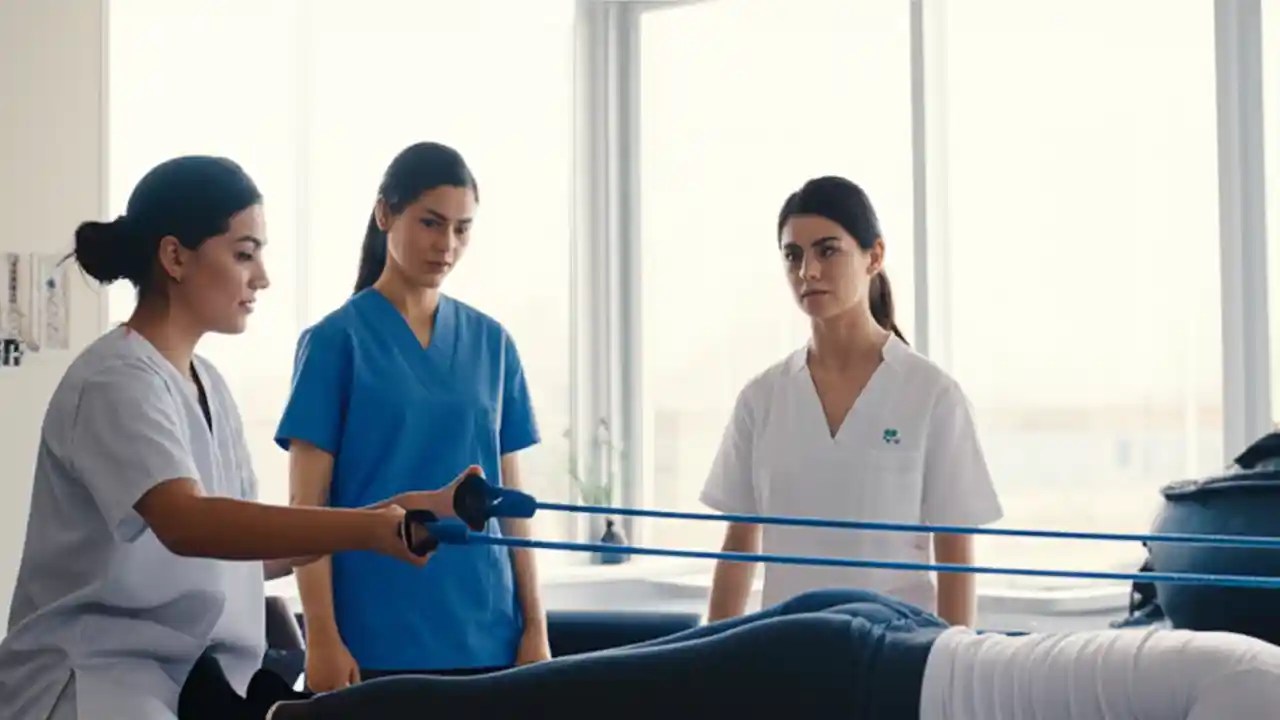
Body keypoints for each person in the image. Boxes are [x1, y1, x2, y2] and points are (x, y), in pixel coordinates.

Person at [0, 155, 469, 720]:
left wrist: (398, 512)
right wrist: (369, 528)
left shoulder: (208, 386)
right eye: (245, 254)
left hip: (185, 681)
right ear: (175, 256)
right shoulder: (115, 381)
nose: (262, 277)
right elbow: (189, 522)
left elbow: (245, 551)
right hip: (95, 685)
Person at [273, 141, 548, 690]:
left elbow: (512, 506)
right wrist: (322, 637)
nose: (446, 244)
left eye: (462, 229)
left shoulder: (493, 344)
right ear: (384, 214)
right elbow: (308, 507)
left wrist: (535, 625)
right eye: (430, 222)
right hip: (374, 636)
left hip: (486, 631)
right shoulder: (334, 343)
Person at [180, 587, 1280, 720]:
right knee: (538, 710)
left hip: (886, 644)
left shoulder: (1250, 666)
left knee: (549, 695)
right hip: (859, 676)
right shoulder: (1254, 686)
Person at [701, 176, 1003, 625]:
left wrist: (953, 672)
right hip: (781, 654)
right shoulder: (761, 399)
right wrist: (711, 666)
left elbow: (955, 553)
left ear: (874, 256)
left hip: (896, 656)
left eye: (827, 251)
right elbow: (739, 546)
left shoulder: (931, 395)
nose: (808, 272)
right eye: (793, 256)